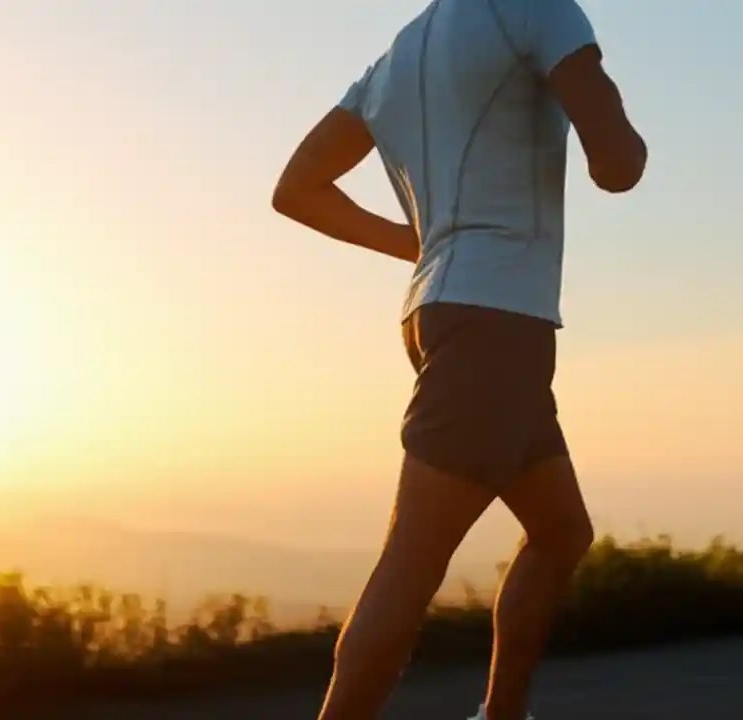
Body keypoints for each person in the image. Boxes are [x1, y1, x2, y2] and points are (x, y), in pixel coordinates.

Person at [271, 0, 647, 718]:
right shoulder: (540, 10)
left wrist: (423, 245)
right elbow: (619, 165)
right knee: (412, 562)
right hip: (495, 325)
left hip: (443, 314)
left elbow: (298, 190)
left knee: (562, 533)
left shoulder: (396, 58)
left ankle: (502, 714)